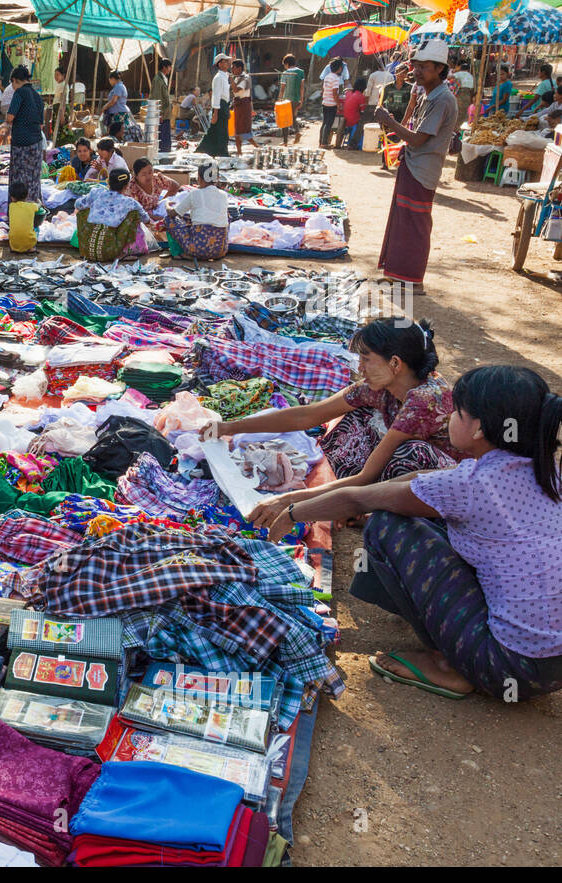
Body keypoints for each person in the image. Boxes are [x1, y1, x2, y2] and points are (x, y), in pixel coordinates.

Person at [260, 366, 562, 702]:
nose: (449, 418)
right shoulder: (546, 472)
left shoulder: (472, 486)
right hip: (553, 665)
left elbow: (357, 498)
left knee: (388, 523)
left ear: (477, 429)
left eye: (458, 413)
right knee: (424, 517)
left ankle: (454, 666)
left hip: (507, 666)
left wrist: (291, 512)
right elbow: (421, 480)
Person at [227, 317, 459, 520]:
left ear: (395, 363)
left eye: (366, 359)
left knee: (409, 453)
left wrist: (290, 501)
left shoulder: (424, 400)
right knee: (357, 418)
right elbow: (308, 415)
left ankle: (365, 507)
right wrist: (227, 427)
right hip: (391, 465)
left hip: (444, 483)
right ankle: (351, 499)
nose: (360, 367)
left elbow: (366, 476)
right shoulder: (382, 385)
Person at [375, 37, 459, 295]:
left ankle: (412, 281)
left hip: (423, 168)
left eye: (425, 67)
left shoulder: (443, 99)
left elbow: (417, 138)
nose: (417, 71)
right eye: (416, 66)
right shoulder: (427, 94)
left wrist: (389, 121)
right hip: (413, 163)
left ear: (440, 69)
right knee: (403, 221)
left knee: (415, 224)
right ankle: (399, 276)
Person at [75, 168, 152, 261]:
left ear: (108, 182)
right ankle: (125, 253)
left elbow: (78, 204)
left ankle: (84, 247)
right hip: (109, 252)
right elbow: (146, 219)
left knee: (83, 211)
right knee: (134, 214)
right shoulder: (130, 202)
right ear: (126, 186)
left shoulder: (96, 192)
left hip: (87, 250)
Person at [163, 161, 228, 260]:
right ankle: (205, 252)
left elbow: (172, 213)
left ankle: (183, 253)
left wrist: (167, 205)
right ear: (217, 178)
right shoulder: (224, 195)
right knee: (225, 216)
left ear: (199, 179)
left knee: (169, 219)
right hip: (220, 251)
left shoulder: (195, 193)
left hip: (197, 249)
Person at [5, 65, 45, 210]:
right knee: (33, 177)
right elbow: (41, 125)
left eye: (12, 83)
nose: (13, 87)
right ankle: (34, 210)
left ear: (15, 80)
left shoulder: (20, 92)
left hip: (21, 143)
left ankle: (18, 211)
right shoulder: (37, 96)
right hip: (36, 143)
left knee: (19, 178)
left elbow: (10, 117)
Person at [127, 157, 181, 230]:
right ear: (136, 176)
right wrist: (159, 218)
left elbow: (175, 186)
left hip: (156, 209)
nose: (148, 176)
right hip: (142, 216)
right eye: (144, 174)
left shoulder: (157, 179)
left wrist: (161, 202)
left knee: (181, 199)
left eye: (150, 172)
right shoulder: (132, 188)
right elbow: (136, 212)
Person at [198, 53, 232, 157]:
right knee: (221, 132)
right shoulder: (218, 78)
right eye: (226, 61)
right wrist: (215, 113)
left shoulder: (224, 76)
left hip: (224, 105)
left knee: (217, 130)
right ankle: (221, 152)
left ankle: (206, 150)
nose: (228, 63)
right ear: (220, 64)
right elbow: (216, 96)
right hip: (219, 106)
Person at [7, 181, 44, 253]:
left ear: (12, 197)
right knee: (36, 228)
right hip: (29, 242)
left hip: (13, 243)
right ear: (26, 195)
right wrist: (39, 201)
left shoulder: (11, 206)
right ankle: (31, 248)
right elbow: (39, 206)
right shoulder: (32, 206)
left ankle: (14, 248)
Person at [278, 55, 305, 144]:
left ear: (287, 64)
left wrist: (279, 100)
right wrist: (301, 99)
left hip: (286, 99)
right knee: (293, 117)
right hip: (296, 99)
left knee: (285, 119)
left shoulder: (285, 73)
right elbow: (302, 88)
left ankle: (290, 137)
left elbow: (282, 89)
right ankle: (294, 135)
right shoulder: (301, 72)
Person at [320, 58, 344, 149]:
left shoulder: (327, 76)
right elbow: (335, 93)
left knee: (324, 123)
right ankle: (324, 143)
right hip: (331, 104)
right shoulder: (336, 78)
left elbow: (324, 90)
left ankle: (321, 142)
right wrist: (338, 104)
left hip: (325, 102)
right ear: (339, 68)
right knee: (329, 124)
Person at [230, 59, 253, 157]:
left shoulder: (245, 78)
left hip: (243, 104)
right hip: (238, 104)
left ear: (239, 68)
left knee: (244, 130)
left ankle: (258, 148)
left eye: (233, 68)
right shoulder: (237, 77)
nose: (232, 71)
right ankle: (239, 151)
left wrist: (230, 79)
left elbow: (235, 89)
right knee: (238, 130)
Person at [150, 59, 173, 152]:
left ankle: (165, 151)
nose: (170, 69)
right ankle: (162, 152)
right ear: (164, 67)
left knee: (165, 134)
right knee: (162, 135)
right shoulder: (157, 80)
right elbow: (157, 97)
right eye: (169, 67)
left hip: (165, 113)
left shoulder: (162, 78)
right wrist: (159, 113)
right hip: (162, 114)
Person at [340, 77, 368, 149]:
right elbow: (363, 111)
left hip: (346, 120)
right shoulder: (361, 96)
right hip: (354, 121)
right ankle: (358, 144)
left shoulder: (348, 93)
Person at [365, 59, 392, 127]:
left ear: (377, 65)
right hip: (384, 106)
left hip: (372, 104)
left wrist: (366, 103)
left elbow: (368, 92)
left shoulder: (373, 75)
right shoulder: (390, 76)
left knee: (369, 125)